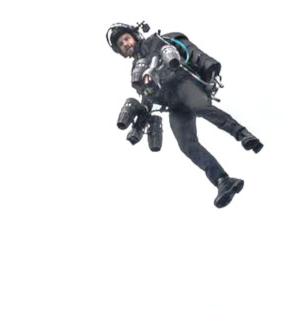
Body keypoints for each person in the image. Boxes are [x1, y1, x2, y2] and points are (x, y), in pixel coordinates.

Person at [107, 22, 263, 208]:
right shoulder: (135, 71)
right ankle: (223, 181)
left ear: (134, 36)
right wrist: (140, 114)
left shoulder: (155, 41)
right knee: (186, 144)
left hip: (184, 84)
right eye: (121, 45)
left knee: (200, 107)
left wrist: (209, 67)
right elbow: (147, 97)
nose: (125, 44)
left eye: (126, 39)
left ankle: (243, 135)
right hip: (173, 104)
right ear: (120, 52)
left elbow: (185, 49)